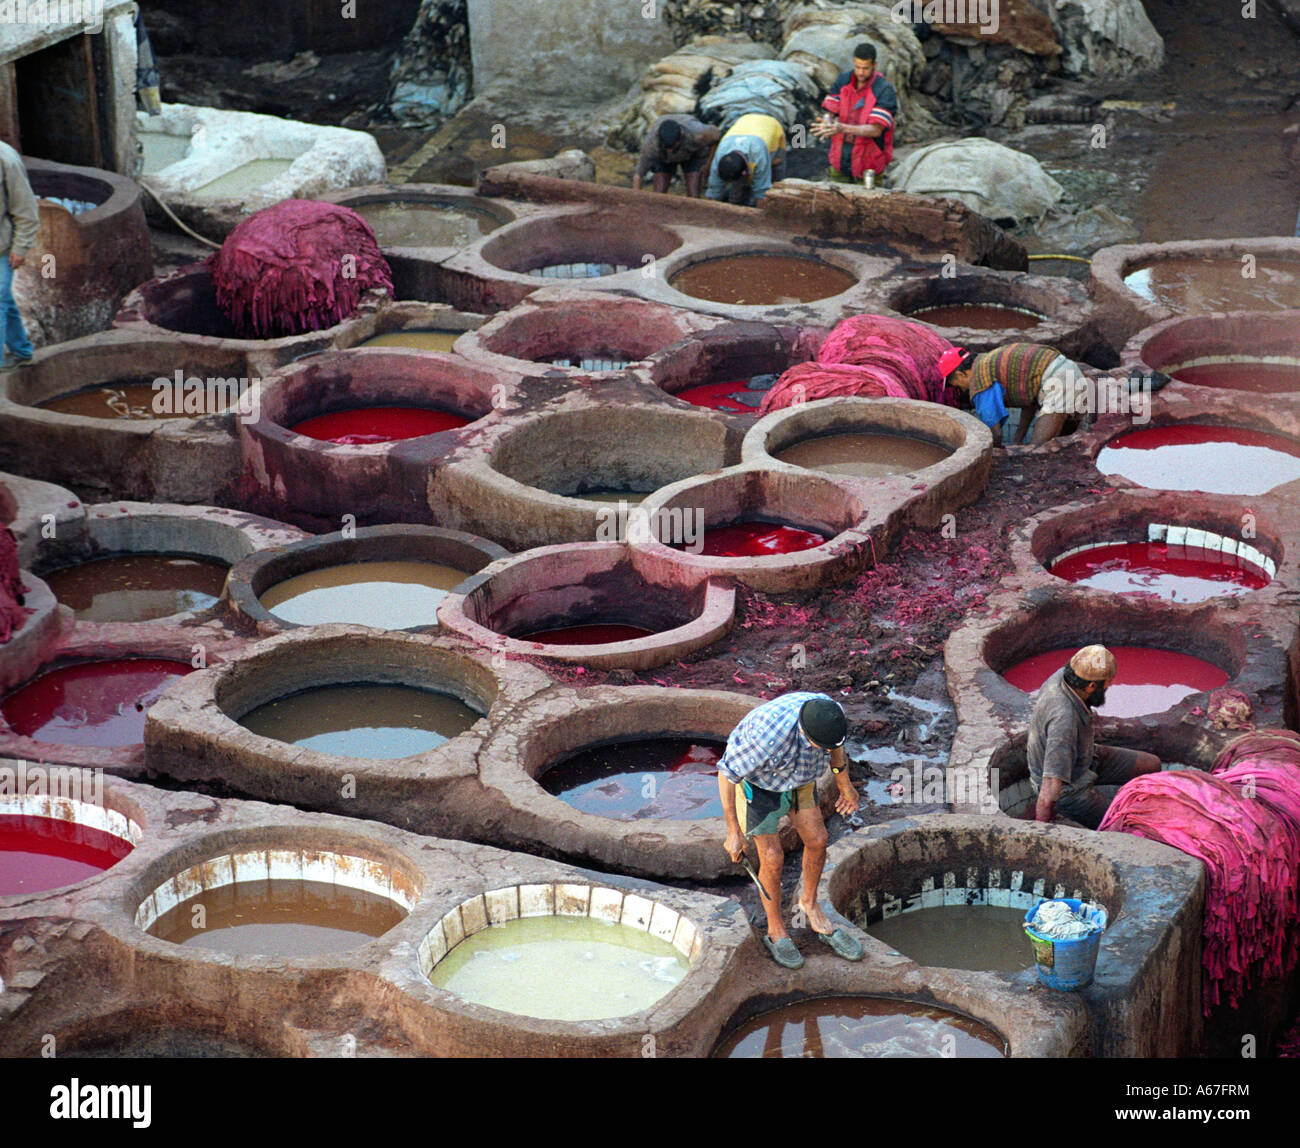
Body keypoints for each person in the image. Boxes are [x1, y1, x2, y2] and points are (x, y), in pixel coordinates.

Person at [718, 691, 864, 968]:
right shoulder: (766, 741)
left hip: (799, 778)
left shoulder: (830, 714)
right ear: (803, 733)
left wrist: (845, 785)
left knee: (818, 839)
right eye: (818, 745)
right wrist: (733, 831)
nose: (825, 750)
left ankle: (809, 904)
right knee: (772, 857)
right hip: (758, 785)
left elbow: (836, 748)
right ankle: (776, 931)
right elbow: (726, 774)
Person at [1027, 645, 1161, 829]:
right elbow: (1050, 786)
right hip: (1068, 791)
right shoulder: (1064, 720)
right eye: (1106, 685)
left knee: (1152, 764)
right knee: (1126, 826)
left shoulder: (1065, 675)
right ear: (1091, 686)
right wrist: (1040, 832)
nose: (1108, 688)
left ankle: (1124, 802)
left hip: (1086, 758)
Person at [941, 342, 1085, 444]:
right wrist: (1018, 439)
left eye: (958, 386)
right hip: (1070, 371)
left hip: (1059, 382)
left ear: (961, 375)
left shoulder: (980, 383)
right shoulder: (987, 362)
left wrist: (994, 455)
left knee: (1037, 452)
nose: (962, 391)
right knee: (1063, 441)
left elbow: (995, 433)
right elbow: (1028, 403)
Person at [810, 42, 898, 183]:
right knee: (835, 198)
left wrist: (842, 128)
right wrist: (827, 122)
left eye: (865, 68)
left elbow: (876, 130)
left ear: (874, 65)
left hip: (869, 160)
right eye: (857, 67)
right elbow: (831, 109)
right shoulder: (843, 80)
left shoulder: (883, 90)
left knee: (868, 202)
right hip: (840, 156)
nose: (861, 72)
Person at [0, 140, 38, 370]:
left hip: (1, 248)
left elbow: (26, 210)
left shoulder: (6, 160)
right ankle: (21, 351)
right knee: (4, 300)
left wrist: (20, 248)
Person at [704, 113, 787, 206]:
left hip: (771, 127)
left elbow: (761, 190)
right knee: (738, 192)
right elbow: (714, 189)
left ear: (744, 172)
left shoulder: (759, 154)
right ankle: (736, 201)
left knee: (775, 174)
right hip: (745, 121)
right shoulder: (721, 153)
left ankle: (777, 206)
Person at [632, 114, 721, 198]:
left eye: (673, 147)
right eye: (668, 148)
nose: (671, 150)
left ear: (681, 136)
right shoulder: (651, 144)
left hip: (693, 153)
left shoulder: (698, 132)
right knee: (659, 195)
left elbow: (717, 136)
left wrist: (709, 164)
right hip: (664, 158)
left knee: (694, 195)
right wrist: (636, 199)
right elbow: (638, 175)